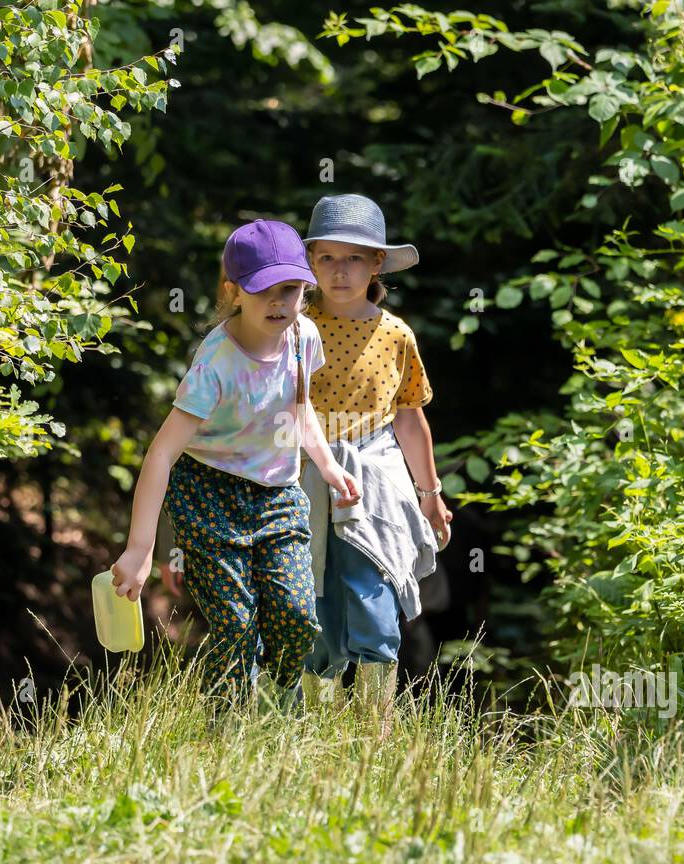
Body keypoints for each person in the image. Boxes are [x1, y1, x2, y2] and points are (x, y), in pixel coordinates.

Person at [109, 219, 360, 712]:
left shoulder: (303, 337)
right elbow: (162, 453)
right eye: (264, 290)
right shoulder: (215, 365)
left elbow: (300, 408)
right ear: (234, 291)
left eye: (290, 290)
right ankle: (230, 724)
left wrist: (328, 467)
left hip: (278, 494)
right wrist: (140, 548)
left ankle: (275, 704)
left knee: (296, 614)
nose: (279, 303)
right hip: (208, 494)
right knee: (237, 625)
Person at [297, 194, 453, 731]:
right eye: (327, 259)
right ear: (311, 262)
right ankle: (317, 727)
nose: (340, 272)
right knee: (312, 588)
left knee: (372, 585)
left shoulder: (395, 334)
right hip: (306, 469)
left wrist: (430, 498)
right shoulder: (293, 325)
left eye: (355, 258)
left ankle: (373, 729)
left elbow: (409, 417)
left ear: (377, 264)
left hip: (376, 473)